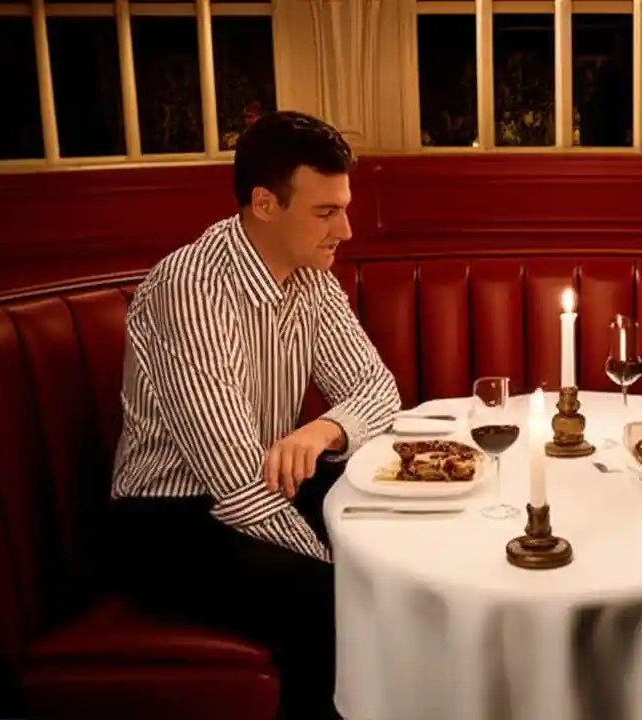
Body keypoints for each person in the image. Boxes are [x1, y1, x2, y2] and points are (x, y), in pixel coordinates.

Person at [108, 110, 400, 720]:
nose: (345, 231)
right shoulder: (191, 286)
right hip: (169, 520)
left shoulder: (310, 277)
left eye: (344, 207)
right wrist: (340, 564)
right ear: (265, 204)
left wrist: (326, 427)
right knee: (332, 599)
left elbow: (377, 390)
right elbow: (236, 483)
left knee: (401, 529)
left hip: (270, 483)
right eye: (326, 212)